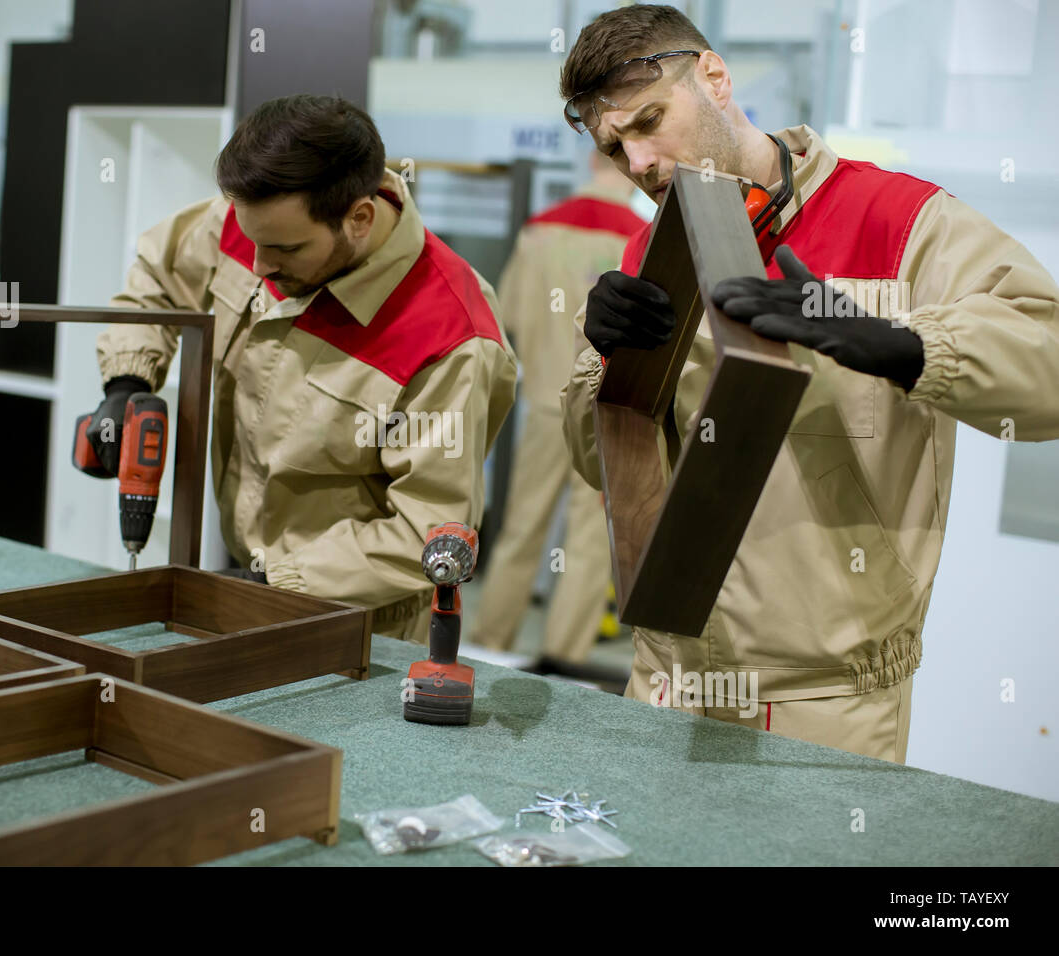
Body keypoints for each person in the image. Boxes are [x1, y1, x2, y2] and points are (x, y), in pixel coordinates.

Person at [558, 5, 1059, 762]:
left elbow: (1048, 365)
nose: (641, 163)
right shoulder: (644, 254)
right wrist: (603, 368)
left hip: (823, 699)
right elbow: (599, 467)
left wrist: (902, 346)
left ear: (716, 79)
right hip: (665, 680)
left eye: (650, 121)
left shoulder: (900, 220)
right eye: (616, 146)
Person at [86, 94, 517, 645]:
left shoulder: (451, 335)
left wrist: (273, 581)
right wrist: (126, 382)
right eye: (253, 239)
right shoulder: (258, 222)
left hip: (358, 626)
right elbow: (157, 277)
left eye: (284, 249)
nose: (259, 263)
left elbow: (427, 531)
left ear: (358, 218)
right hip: (245, 580)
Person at [474, 150, 645, 670]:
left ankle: (487, 643)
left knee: (521, 526)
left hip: (547, 401)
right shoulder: (640, 239)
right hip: (608, 407)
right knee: (591, 536)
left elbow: (512, 318)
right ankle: (564, 657)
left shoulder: (539, 233)